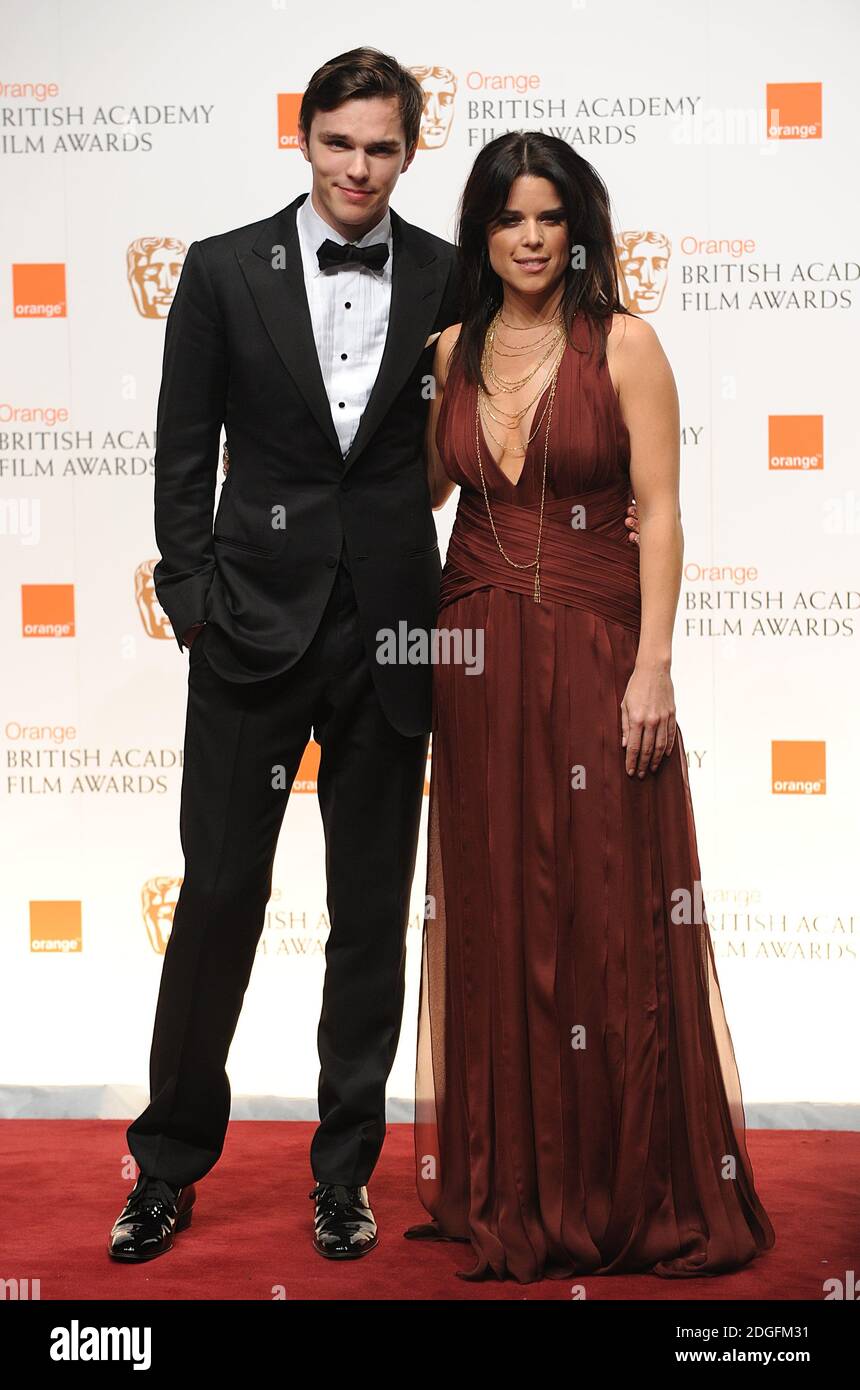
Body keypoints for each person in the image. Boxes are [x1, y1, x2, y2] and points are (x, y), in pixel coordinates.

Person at [108, 47, 466, 1265]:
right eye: (338, 142)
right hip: (249, 634)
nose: (358, 167)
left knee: (368, 918)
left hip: (392, 637)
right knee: (215, 901)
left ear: (408, 151)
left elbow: (503, 409)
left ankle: (344, 1175)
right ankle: (163, 1167)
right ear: (301, 139)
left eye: (380, 147)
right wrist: (195, 600)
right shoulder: (219, 271)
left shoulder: (446, 274)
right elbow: (178, 451)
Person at [404, 132, 776, 1283]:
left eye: (549, 217)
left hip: (597, 648)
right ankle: (507, 1185)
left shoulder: (626, 345)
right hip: (473, 652)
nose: (528, 238)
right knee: (497, 904)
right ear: (480, 229)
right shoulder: (447, 352)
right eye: (509, 218)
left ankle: (631, 1187)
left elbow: (659, 514)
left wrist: (651, 666)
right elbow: (413, 491)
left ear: (579, 228)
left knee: (610, 912)